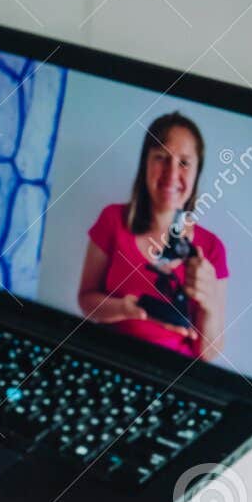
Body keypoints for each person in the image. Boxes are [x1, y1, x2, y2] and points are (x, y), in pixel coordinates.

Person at [77, 112, 228, 361]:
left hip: (171, 374)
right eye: (161, 158)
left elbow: (208, 353)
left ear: (197, 172)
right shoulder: (112, 219)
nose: (171, 173)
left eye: (184, 162)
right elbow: (86, 301)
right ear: (145, 164)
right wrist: (126, 309)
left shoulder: (211, 248)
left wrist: (210, 304)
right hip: (108, 357)